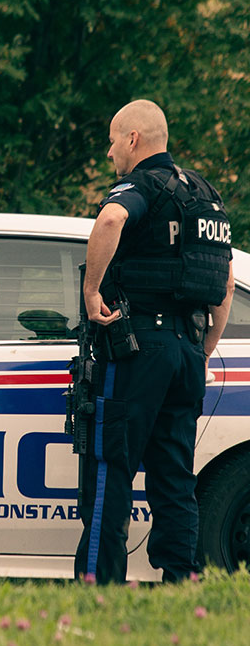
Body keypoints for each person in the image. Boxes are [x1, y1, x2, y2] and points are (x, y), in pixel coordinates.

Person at [74, 99, 234, 584]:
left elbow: (109, 221)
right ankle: (181, 579)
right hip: (187, 349)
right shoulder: (206, 197)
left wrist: (90, 290)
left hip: (138, 347)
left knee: (110, 464)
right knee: (174, 474)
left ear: (133, 140)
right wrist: (202, 348)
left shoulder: (141, 186)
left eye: (111, 141)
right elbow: (224, 284)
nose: (108, 153)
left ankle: (99, 584)